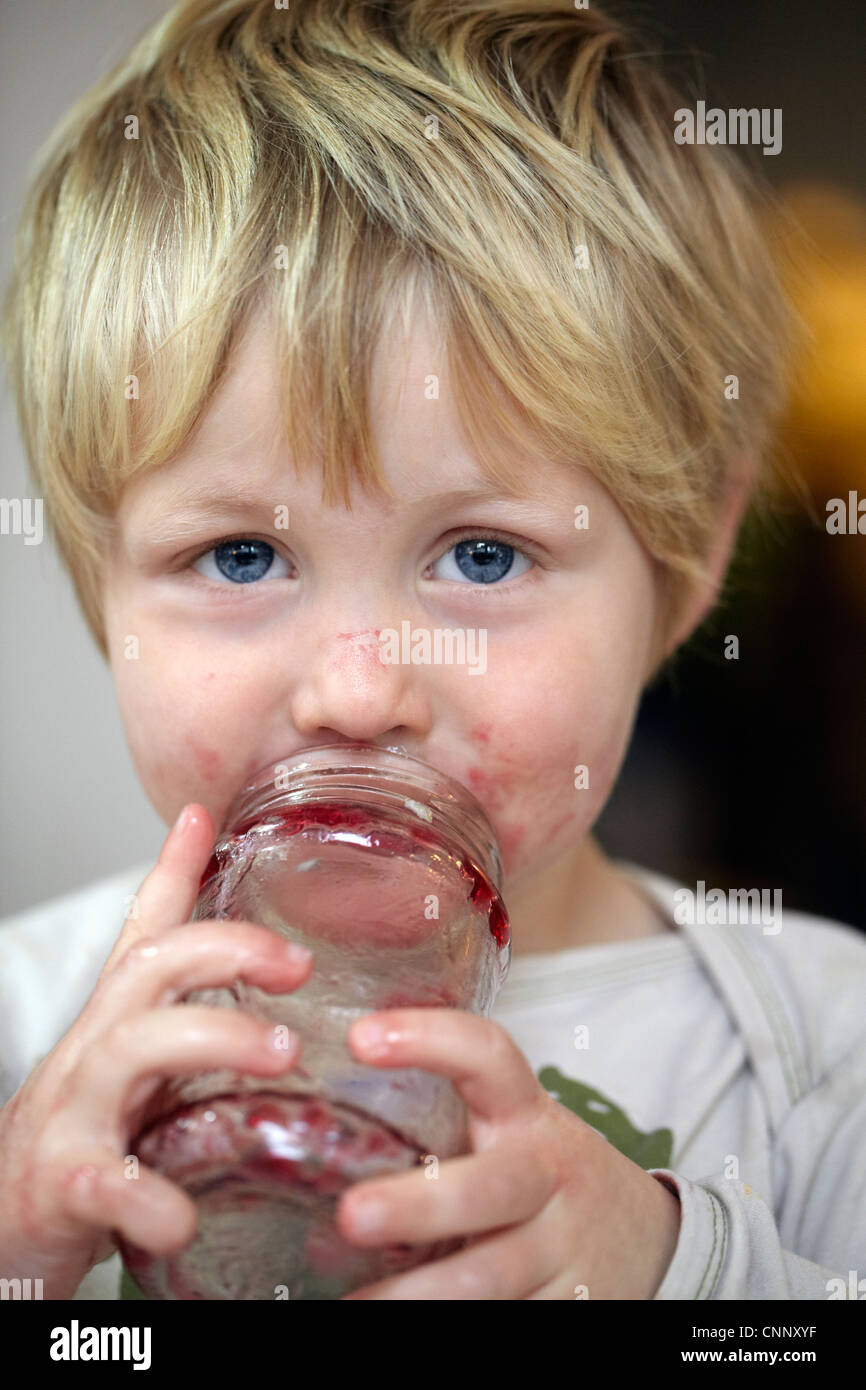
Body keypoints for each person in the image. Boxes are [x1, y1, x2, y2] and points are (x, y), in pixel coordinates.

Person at [1, 0, 863, 1301]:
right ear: (97, 582)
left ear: (683, 568)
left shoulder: (821, 1051)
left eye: (480, 554)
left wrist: (683, 1270)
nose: (357, 690)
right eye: (241, 555)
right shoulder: (26, 1026)